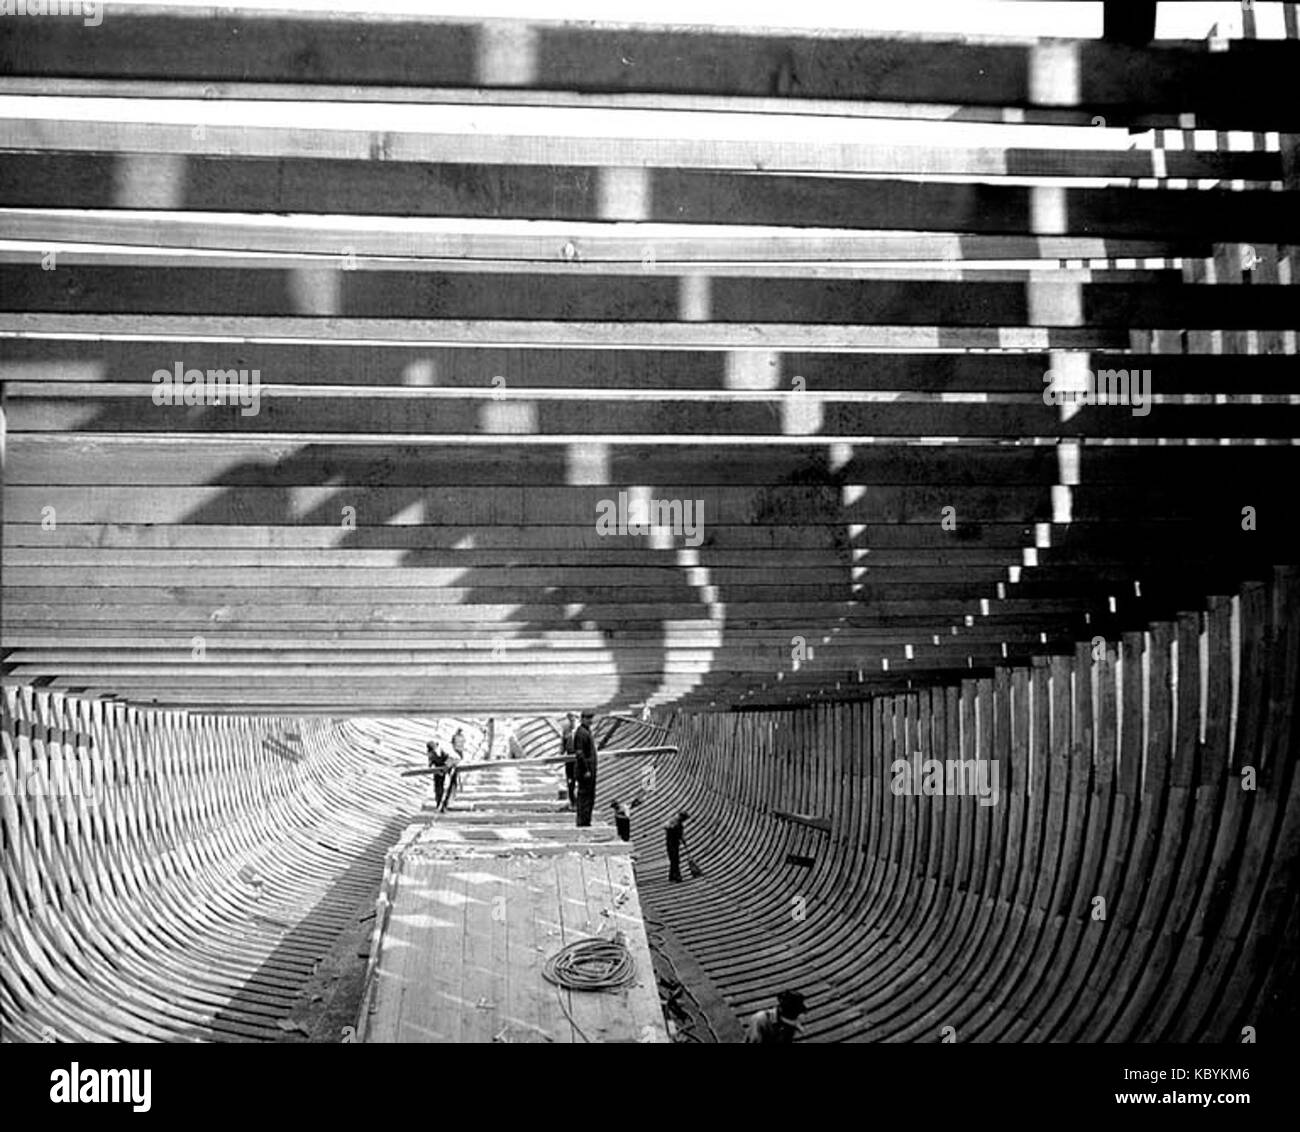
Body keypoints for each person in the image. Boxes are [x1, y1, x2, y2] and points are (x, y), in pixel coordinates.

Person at [573, 710, 598, 827]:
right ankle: (582, 822)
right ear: (582, 719)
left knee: (590, 796)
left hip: (590, 770)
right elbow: (579, 753)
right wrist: (586, 770)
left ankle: (586, 820)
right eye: (588, 718)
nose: (590, 721)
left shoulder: (586, 731)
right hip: (585, 772)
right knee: (584, 797)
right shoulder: (581, 733)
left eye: (591, 718)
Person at [426, 738, 461, 812]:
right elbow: (430, 764)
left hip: (452, 762)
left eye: (434, 752)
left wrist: (446, 767)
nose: (432, 753)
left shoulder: (445, 750)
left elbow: (456, 758)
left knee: (452, 783)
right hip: (439, 766)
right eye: (431, 753)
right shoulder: (430, 754)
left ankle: (448, 803)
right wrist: (433, 768)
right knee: (438, 785)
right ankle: (439, 804)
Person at [560, 711, 578, 809]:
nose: (571, 720)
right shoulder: (566, 730)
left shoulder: (581, 730)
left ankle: (579, 802)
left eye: (573, 718)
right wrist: (561, 752)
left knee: (578, 779)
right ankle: (573, 802)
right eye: (569, 718)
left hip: (579, 757)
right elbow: (563, 743)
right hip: (569, 757)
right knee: (570, 780)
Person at [665, 811, 689, 882]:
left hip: (673, 844)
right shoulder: (675, 825)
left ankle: (672, 876)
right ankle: (677, 876)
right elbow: (679, 834)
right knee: (675, 860)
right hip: (672, 845)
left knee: (674, 860)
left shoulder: (676, 824)